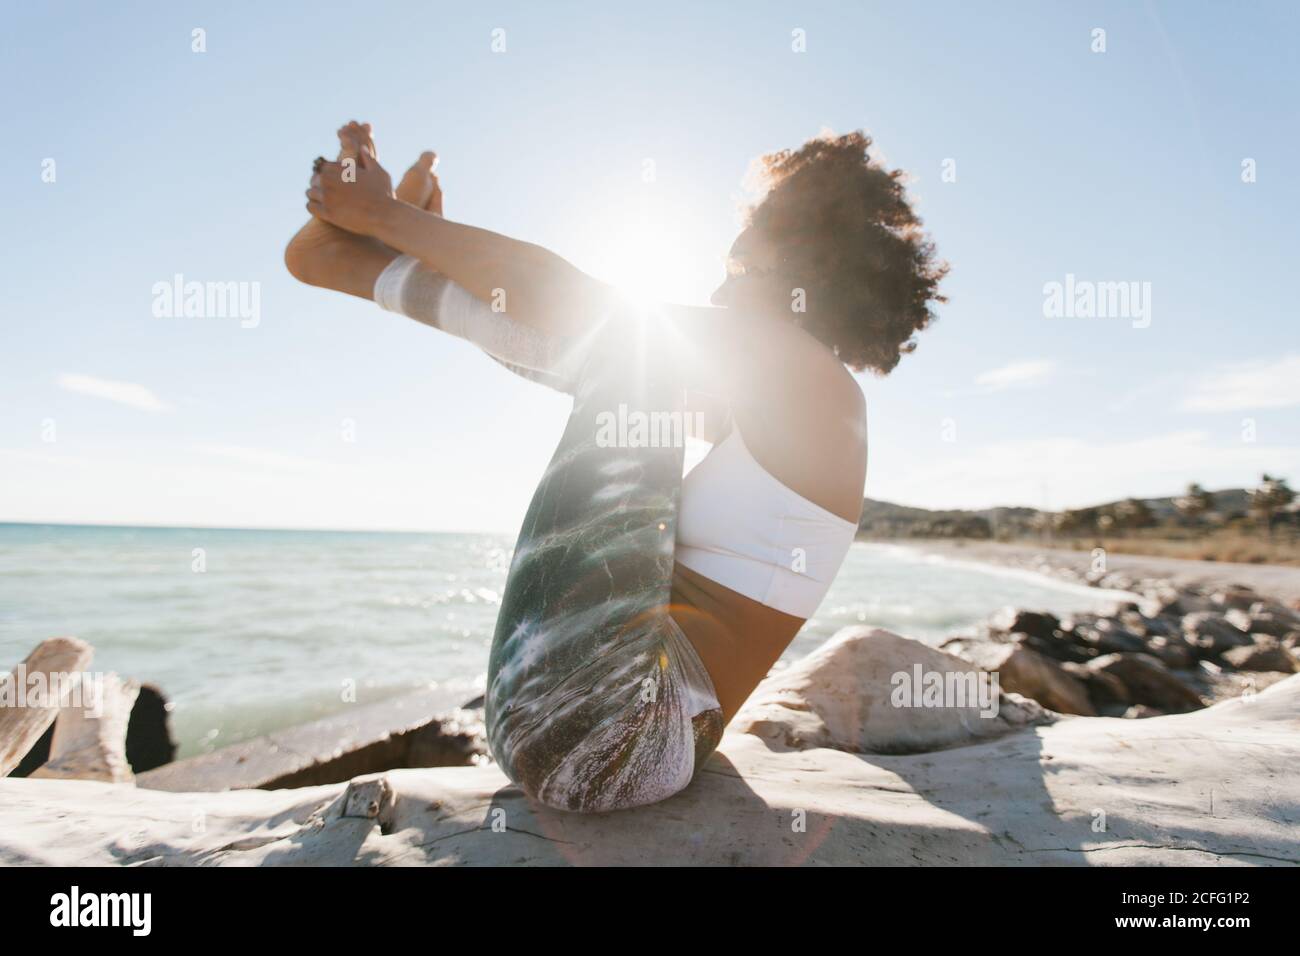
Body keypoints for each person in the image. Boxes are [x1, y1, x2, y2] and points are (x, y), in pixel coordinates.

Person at [286, 122, 946, 811]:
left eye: (740, 270)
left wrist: (385, 218)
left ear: (808, 267)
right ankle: (375, 267)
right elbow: (568, 349)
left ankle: (362, 260)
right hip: (623, 738)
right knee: (624, 358)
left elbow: (577, 307)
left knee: (634, 345)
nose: (719, 293)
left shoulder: (800, 369)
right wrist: (429, 243)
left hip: (594, 727)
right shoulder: (798, 406)